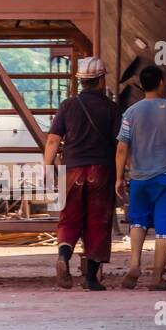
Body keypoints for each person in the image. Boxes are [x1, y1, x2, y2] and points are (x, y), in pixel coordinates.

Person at [115, 65, 166, 290]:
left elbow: (122, 148)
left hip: (139, 179)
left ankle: (134, 265)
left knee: (138, 222)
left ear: (142, 85)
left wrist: (119, 177)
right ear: (161, 82)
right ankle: (157, 278)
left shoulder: (130, 113)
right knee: (163, 229)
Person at [44, 57, 121, 291]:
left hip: (72, 170)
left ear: (80, 82)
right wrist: (121, 174)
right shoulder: (112, 108)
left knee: (69, 218)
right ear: (100, 80)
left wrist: (48, 169)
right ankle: (90, 279)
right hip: (101, 170)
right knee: (98, 221)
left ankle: (63, 257)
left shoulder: (68, 105)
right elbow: (120, 145)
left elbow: (53, 140)